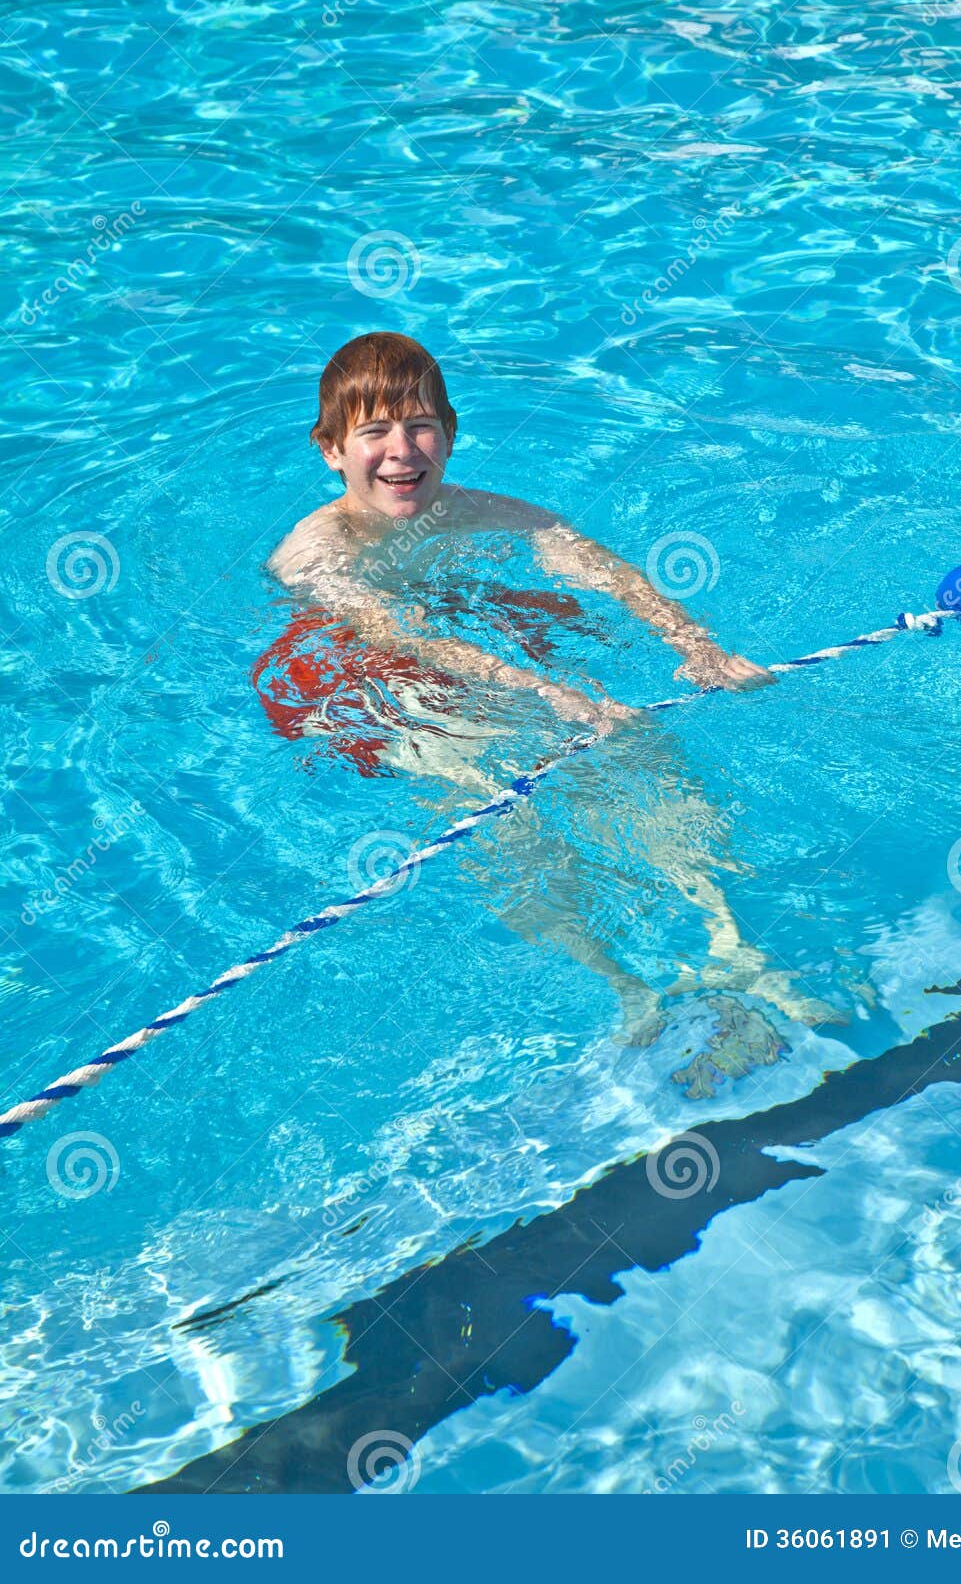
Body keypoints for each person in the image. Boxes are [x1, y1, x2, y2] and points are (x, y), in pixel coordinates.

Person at [258, 332, 837, 1086]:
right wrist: (546, 693)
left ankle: (731, 940)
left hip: (466, 632)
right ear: (332, 450)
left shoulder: (479, 511)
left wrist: (694, 644)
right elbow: (399, 634)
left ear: (450, 435)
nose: (401, 451)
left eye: (420, 425)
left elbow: (593, 564)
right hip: (360, 674)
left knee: (637, 744)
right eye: (374, 432)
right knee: (497, 804)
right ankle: (624, 986)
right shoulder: (314, 553)